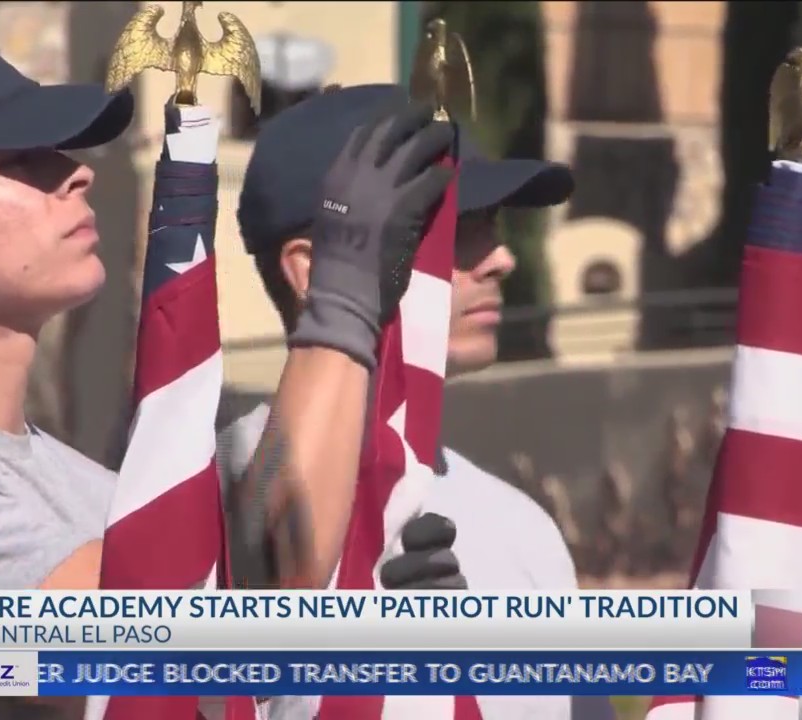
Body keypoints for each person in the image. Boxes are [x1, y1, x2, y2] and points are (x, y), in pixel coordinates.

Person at [0, 32, 457, 718]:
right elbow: (125, 664)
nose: (75, 173)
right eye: (21, 159)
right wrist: (342, 300)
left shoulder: (97, 487)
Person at [223, 83, 612, 720]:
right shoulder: (226, 483)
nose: (504, 259)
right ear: (315, 269)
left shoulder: (525, 527)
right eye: (450, 234)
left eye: (495, 228)